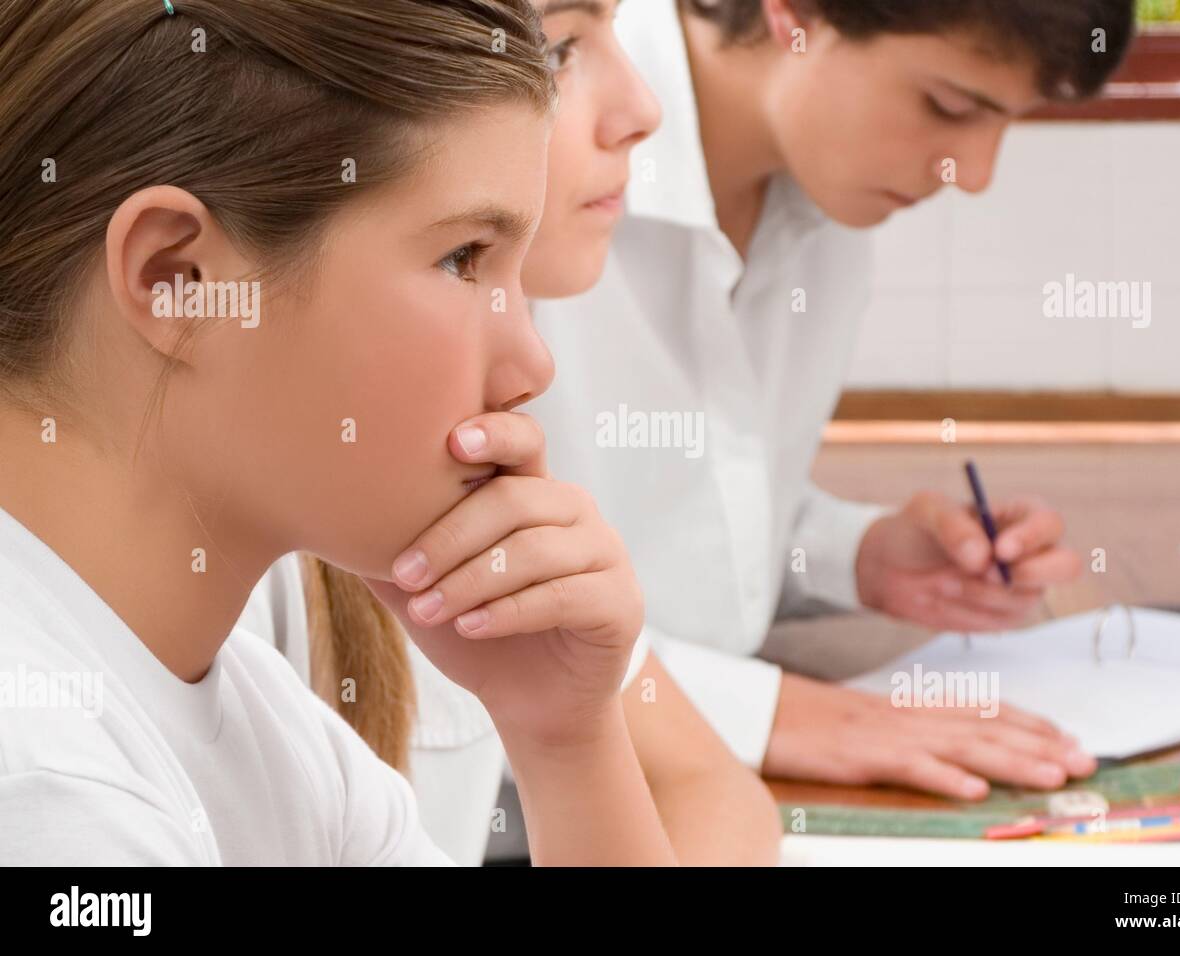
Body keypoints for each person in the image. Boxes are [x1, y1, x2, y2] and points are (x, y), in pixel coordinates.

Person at [0, 0, 677, 866]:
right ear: (179, 281)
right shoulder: (51, 799)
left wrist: (564, 741)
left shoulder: (264, 731)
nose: (532, 366)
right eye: (464, 258)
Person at [529, 0, 1135, 799]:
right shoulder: (533, 139)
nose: (976, 173)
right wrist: (773, 716)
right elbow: (438, 606)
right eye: (948, 106)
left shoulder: (821, 210)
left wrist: (854, 556)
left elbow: (648, 520)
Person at [242, 0, 781, 866]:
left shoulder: (441, 452)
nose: (645, 108)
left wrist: (568, 744)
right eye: (560, 45)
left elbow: (707, 783)